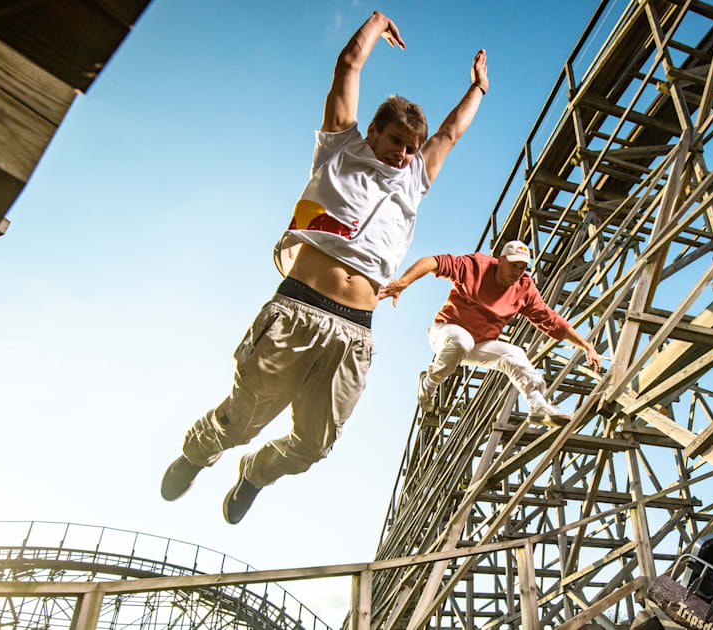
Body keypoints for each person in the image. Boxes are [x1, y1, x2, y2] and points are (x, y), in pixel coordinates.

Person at [160, 10, 489, 524]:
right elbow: (348, 67)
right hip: (299, 309)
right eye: (395, 142)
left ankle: (255, 473)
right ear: (373, 131)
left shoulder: (414, 179)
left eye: (410, 148)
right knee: (243, 420)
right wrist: (377, 23)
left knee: (314, 444)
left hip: (355, 331)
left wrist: (478, 89)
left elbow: (449, 134)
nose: (403, 155)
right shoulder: (340, 148)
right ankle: (198, 453)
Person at [379, 240, 601, 424]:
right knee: (462, 341)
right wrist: (403, 282)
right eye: (513, 265)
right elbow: (433, 261)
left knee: (515, 354)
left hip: (480, 343)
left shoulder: (524, 288)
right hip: (446, 331)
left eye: (523, 268)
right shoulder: (477, 266)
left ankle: (538, 405)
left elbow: (551, 320)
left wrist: (586, 345)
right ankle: (428, 384)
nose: (517, 272)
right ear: (500, 260)